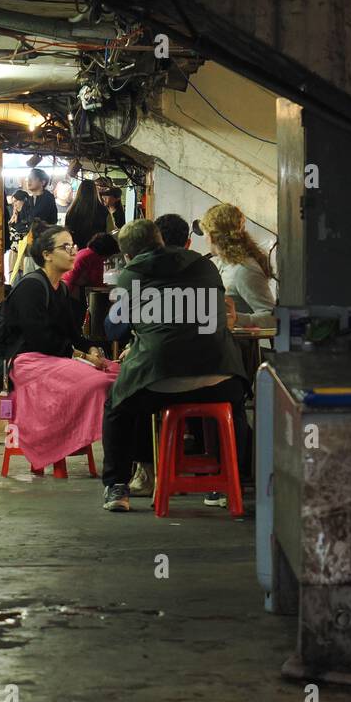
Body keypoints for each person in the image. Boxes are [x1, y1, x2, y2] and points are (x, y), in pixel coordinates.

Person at [98, 219, 249, 512]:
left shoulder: (131, 275)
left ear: (127, 255)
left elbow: (114, 331)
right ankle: (230, 482)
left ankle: (117, 486)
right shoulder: (206, 266)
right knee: (237, 408)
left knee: (118, 405)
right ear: (161, 241)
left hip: (160, 380)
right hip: (220, 377)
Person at [2, 224, 119, 473]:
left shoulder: (62, 289)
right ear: (46, 254)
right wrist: (81, 356)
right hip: (27, 361)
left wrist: (93, 349)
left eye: (73, 246)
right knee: (96, 382)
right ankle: (65, 438)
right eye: (65, 247)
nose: (73, 251)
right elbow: (39, 339)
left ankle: (82, 438)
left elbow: (72, 334)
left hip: (53, 358)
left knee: (115, 372)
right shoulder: (31, 287)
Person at [201, 202, 278, 329]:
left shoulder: (244, 270)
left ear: (212, 237)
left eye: (205, 233)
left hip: (238, 346)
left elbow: (274, 318)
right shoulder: (225, 264)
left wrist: (236, 318)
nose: (204, 238)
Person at [63, 178, 109, 253]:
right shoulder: (103, 210)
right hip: (97, 250)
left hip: (77, 250)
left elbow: (68, 232)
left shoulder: (71, 211)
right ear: (95, 192)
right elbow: (108, 231)